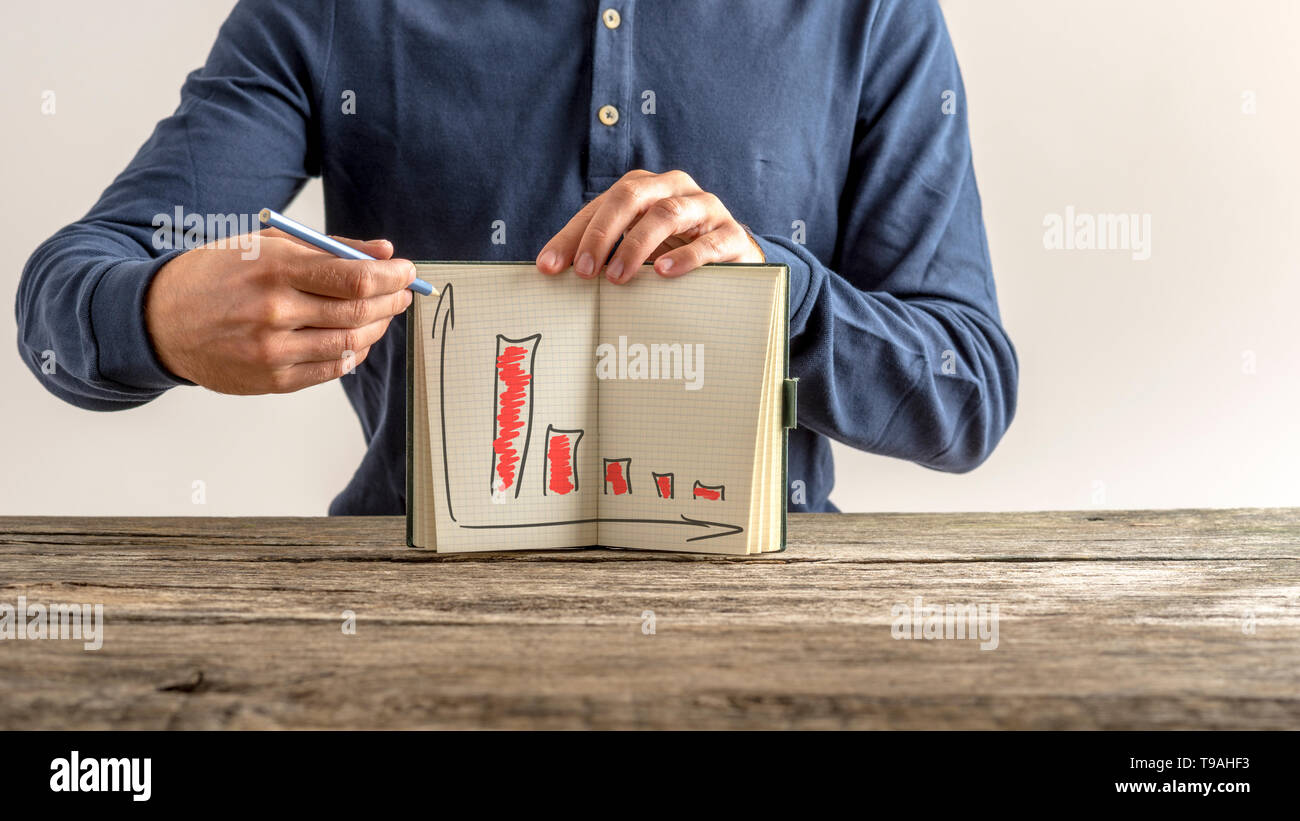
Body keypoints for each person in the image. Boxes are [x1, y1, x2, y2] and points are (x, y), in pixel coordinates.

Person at [16, 0, 1018, 514]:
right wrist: (158, 315)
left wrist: (777, 297)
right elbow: (62, 289)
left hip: (779, 639)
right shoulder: (330, 11)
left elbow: (965, 388)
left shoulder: (869, 14)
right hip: (397, 641)